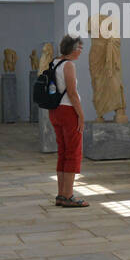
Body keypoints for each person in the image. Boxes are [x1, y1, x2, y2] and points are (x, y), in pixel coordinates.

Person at [48, 34, 89, 207]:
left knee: (63, 152)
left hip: (55, 110)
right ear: (72, 49)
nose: (81, 50)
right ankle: (69, 196)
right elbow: (72, 93)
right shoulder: (69, 65)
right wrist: (81, 115)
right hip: (68, 111)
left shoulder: (53, 63)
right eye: (79, 47)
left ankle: (61, 194)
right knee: (73, 152)